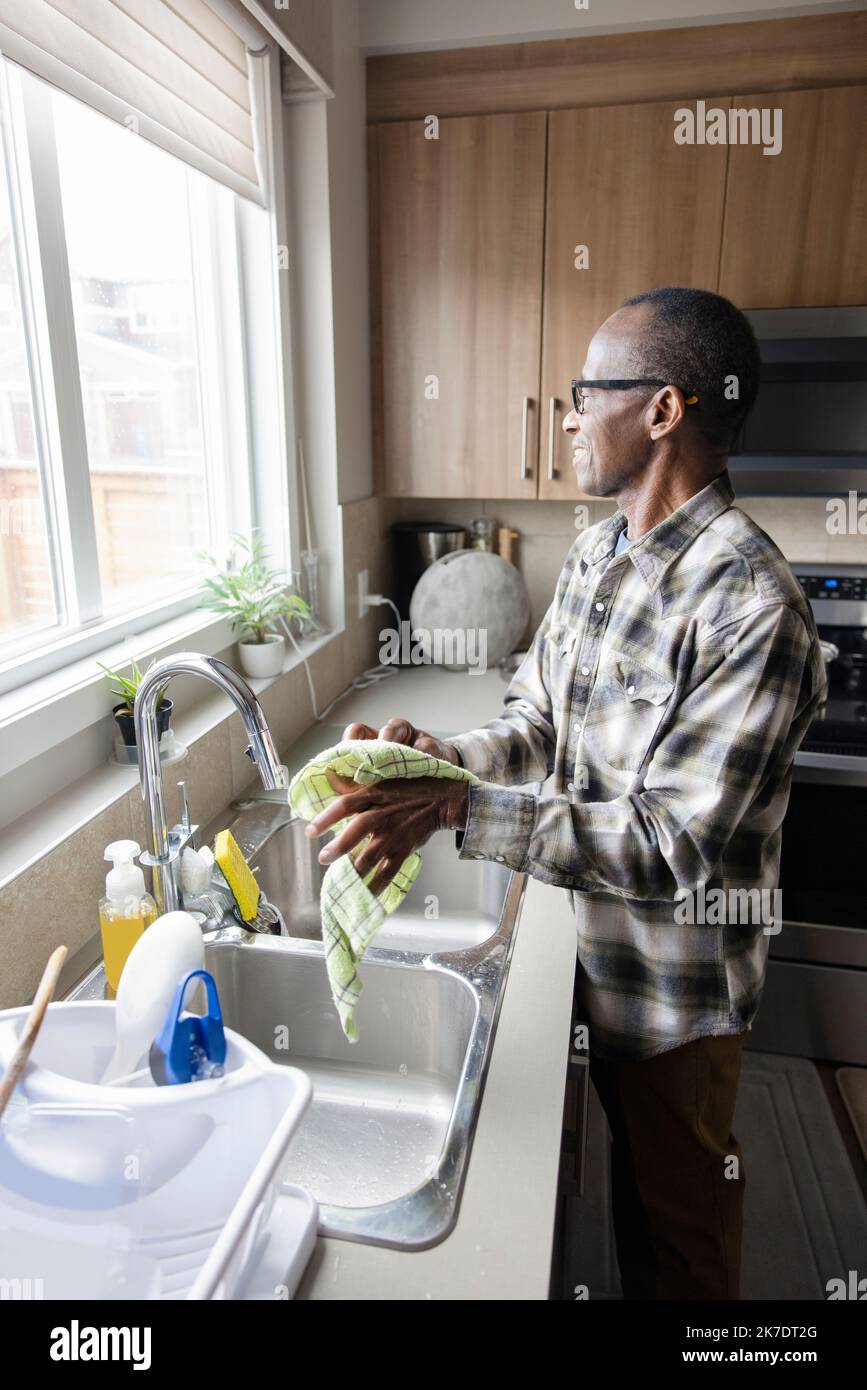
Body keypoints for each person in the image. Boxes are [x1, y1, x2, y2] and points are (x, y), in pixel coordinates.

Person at [305, 287, 827, 1300]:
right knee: (629, 1215)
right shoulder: (595, 555)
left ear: (664, 411)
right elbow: (538, 726)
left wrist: (455, 811)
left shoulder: (753, 607)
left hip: (675, 997)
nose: (573, 416)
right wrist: (441, 764)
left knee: (678, 1238)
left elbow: (669, 846)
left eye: (588, 392)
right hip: (581, 949)